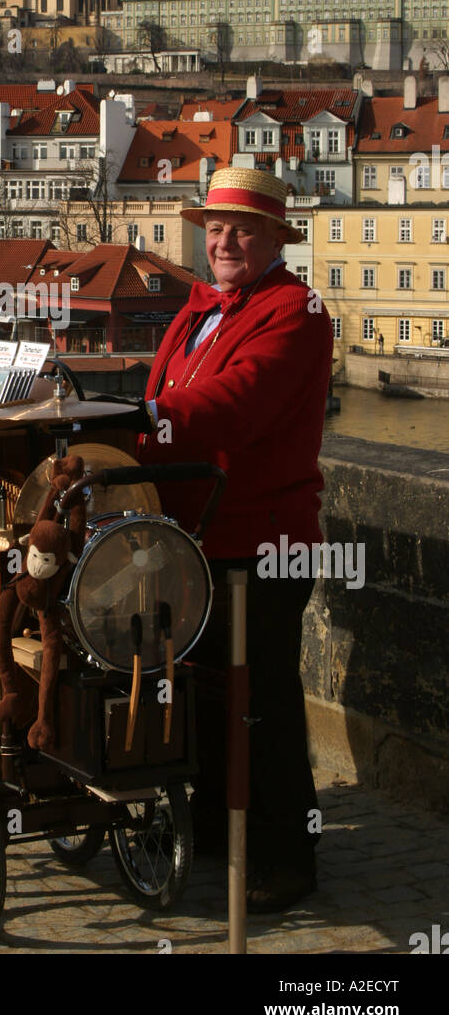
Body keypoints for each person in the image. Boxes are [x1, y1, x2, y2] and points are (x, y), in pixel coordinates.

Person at [136, 168, 333, 914]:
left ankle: (287, 859)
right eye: (215, 227)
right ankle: (220, 831)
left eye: (241, 229)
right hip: (198, 536)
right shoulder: (198, 307)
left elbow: (234, 402)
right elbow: (172, 390)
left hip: (262, 540)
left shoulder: (296, 312)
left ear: (276, 238)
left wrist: (143, 420)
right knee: (209, 695)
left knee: (262, 702)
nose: (222, 240)